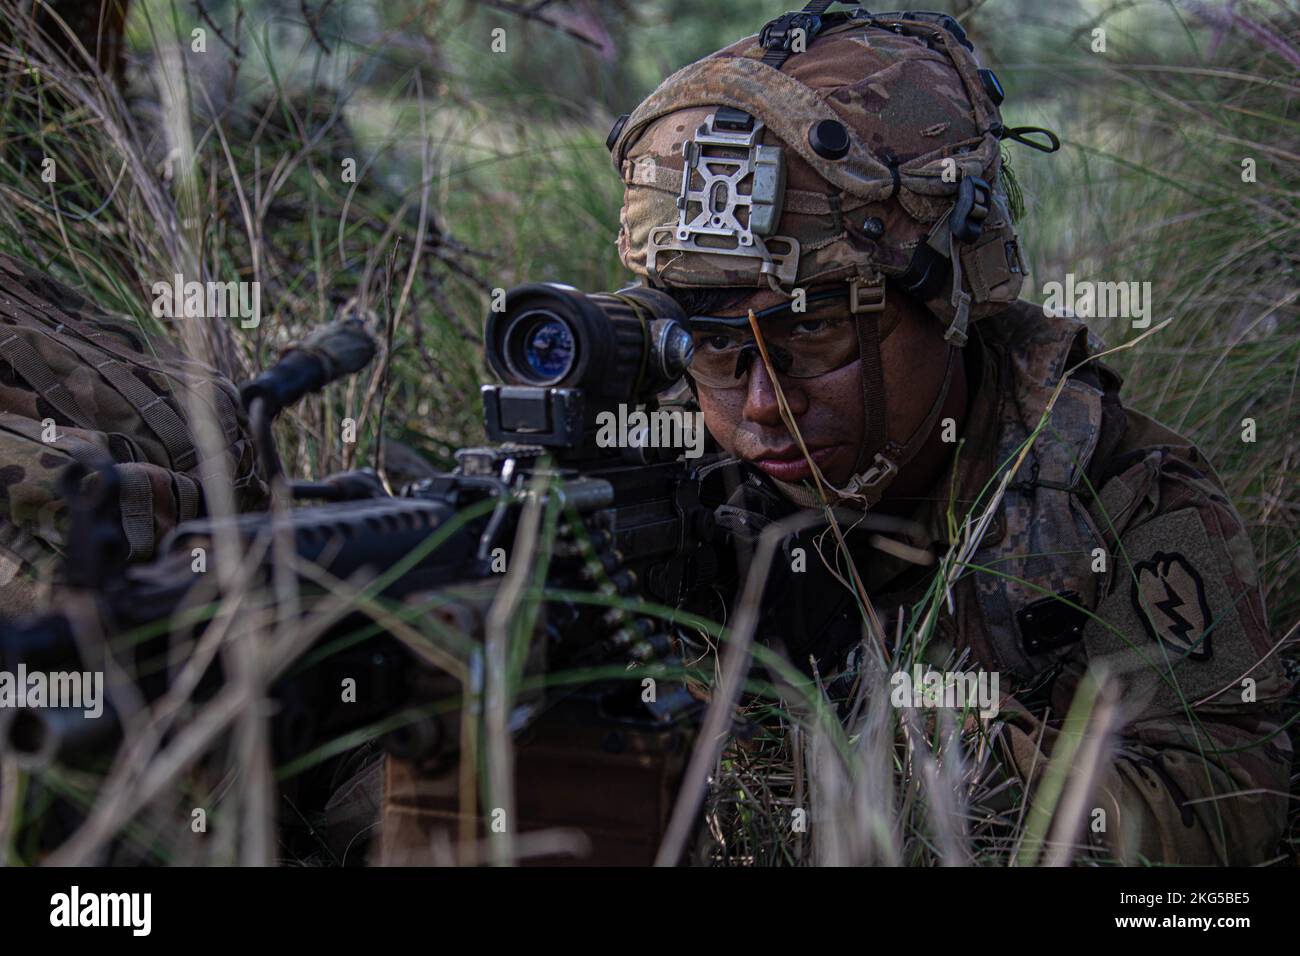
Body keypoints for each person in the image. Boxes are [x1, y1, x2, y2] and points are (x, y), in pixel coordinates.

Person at [606, 8, 1293, 865]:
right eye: (713, 346)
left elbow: (1227, 798)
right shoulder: (637, 480)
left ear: (951, 296)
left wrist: (901, 744)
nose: (761, 408)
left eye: (815, 334)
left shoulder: (1113, 488)